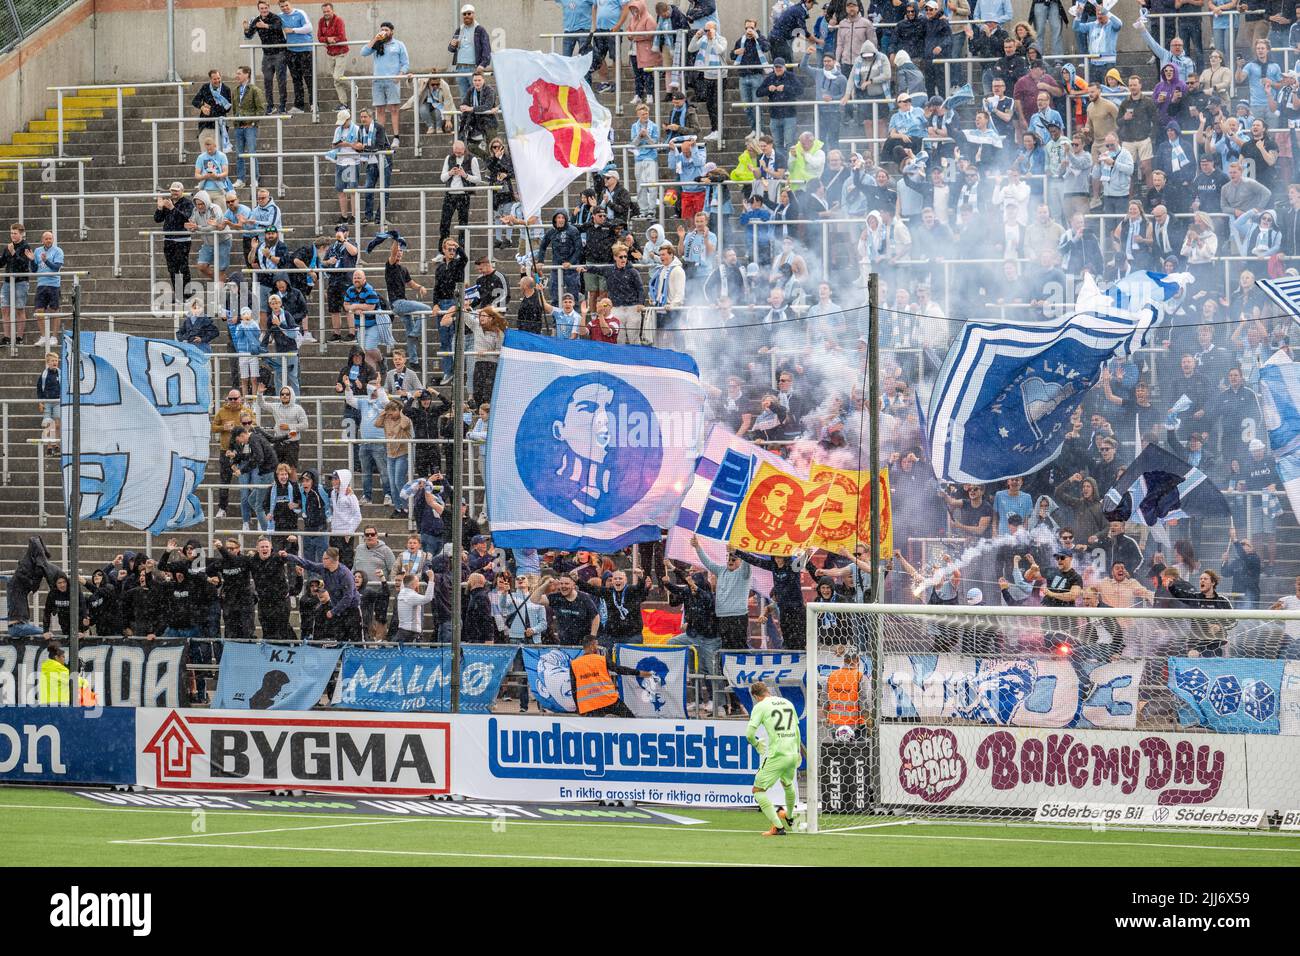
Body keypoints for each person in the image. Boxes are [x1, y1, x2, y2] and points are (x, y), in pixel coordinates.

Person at [746, 680, 801, 836]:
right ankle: (789, 816)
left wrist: (756, 744)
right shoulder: (786, 702)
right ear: (768, 691)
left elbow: (749, 734)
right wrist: (797, 752)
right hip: (792, 752)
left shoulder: (760, 706)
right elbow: (796, 730)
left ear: (755, 696)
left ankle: (778, 827)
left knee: (758, 791)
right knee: (787, 784)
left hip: (777, 754)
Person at [286, 546, 362, 642]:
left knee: (357, 639)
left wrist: (333, 611)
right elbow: (308, 564)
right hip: (338, 610)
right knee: (340, 639)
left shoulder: (344, 574)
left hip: (351, 610)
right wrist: (288, 556)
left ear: (334, 560)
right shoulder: (323, 568)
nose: (323, 561)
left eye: (325, 558)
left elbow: (348, 597)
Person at [568, 636, 651, 716]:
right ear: (591, 646)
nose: (597, 647)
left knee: (598, 728)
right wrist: (639, 673)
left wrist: (579, 708)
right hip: (608, 700)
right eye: (596, 644)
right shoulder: (602, 659)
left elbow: (574, 688)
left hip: (589, 705)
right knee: (630, 720)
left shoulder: (574, 664)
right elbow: (619, 669)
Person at [361, 21, 410, 145]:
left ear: (392, 31)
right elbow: (363, 52)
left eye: (386, 29)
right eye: (382, 29)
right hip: (378, 81)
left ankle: (396, 137)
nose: (384, 31)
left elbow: (405, 63)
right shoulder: (377, 43)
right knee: (380, 110)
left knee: (394, 109)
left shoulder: (399, 44)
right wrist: (375, 39)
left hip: (392, 81)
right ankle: (381, 138)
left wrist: (399, 75)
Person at [243, 1, 288, 114]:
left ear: (269, 7)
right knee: (267, 82)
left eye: (265, 8)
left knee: (281, 81)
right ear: (259, 9)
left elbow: (278, 27)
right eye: (261, 8)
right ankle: (270, 106)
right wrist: (246, 29)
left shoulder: (275, 17)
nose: (264, 10)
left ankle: (282, 106)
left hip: (280, 53)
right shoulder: (256, 20)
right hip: (267, 55)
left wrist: (265, 26)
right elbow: (249, 36)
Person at [439, 140, 482, 245]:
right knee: (444, 223)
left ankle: (461, 248)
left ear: (464, 149)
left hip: (464, 195)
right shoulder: (449, 158)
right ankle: (442, 249)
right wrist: (450, 173)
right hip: (450, 194)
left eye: (459, 152)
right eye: (455, 152)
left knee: (463, 224)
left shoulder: (472, 159)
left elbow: (478, 179)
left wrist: (465, 175)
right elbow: (442, 178)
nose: (457, 154)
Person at [276, 0, 314, 114]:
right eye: (282, 6)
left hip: (305, 50)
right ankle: (299, 106)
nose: (285, 8)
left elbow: (309, 28)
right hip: (291, 51)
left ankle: (314, 104)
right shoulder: (279, 16)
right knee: (296, 79)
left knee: (309, 78)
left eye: (286, 5)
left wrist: (293, 30)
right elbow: (270, 23)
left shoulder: (300, 13)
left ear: (290, 4)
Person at [448, 4, 492, 100]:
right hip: (460, 68)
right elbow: (451, 49)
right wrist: (452, 44)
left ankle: (478, 115)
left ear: (473, 14)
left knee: (477, 96)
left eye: (469, 13)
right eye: (464, 14)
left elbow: (487, 49)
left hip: (474, 68)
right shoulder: (459, 30)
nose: (467, 16)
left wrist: (483, 65)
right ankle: (466, 115)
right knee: (464, 96)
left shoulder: (480, 30)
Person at [29, 231, 62, 347]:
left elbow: (56, 268)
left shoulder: (58, 251)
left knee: (54, 311)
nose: (48, 240)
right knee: (39, 311)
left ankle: (54, 337)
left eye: (50, 238)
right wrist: (32, 260)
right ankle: (43, 336)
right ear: (42, 240)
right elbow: (33, 270)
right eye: (46, 239)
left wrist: (46, 261)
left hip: (53, 285)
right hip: (41, 284)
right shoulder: (38, 251)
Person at [318, 3, 351, 109]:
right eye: (324, 12)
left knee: (337, 77)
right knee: (336, 81)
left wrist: (334, 39)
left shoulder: (339, 20)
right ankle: (344, 103)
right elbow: (319, 37)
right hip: (330, 53)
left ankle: (353, 86)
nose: (326, 13)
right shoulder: (321, 21)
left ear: (332, 10)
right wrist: (328, 39)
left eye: (328, 11)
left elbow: (341, 36)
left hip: (341, 52)